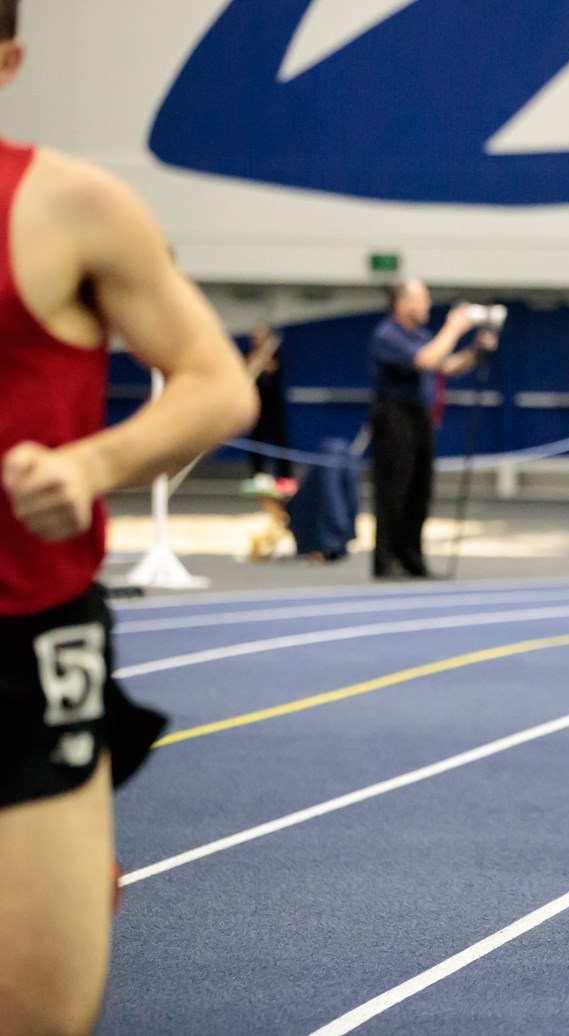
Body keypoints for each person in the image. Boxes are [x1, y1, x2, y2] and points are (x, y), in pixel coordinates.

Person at [0, 4, 259, 1030]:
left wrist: (90, 462)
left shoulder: (69, 205)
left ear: (9, 61)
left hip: (22, 651)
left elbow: (216, 385)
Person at [367, 278, 497, 579]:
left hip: (419, 417)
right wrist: (453, 327)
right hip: (393, 416)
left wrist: (475, 350)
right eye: (422, 299)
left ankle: (412, 557)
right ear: (402, 303)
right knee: (394, 491)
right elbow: (425, 360)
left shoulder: (421, 334)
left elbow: (445, 365)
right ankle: (387, 559)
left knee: (420, 490)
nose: (427, 305)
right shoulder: (388, 335)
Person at [243, 322, 289, 480]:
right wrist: (256, 360)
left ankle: (285, 476)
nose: (256, 339)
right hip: (256, 406)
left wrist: (263, 358)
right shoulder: (250, 354)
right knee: (256, 441)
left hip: (274, 406)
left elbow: (274, 367)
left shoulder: (275, 353)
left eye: (259, 336)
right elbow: (246, 370)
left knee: (280, 440)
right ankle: (259, 475)